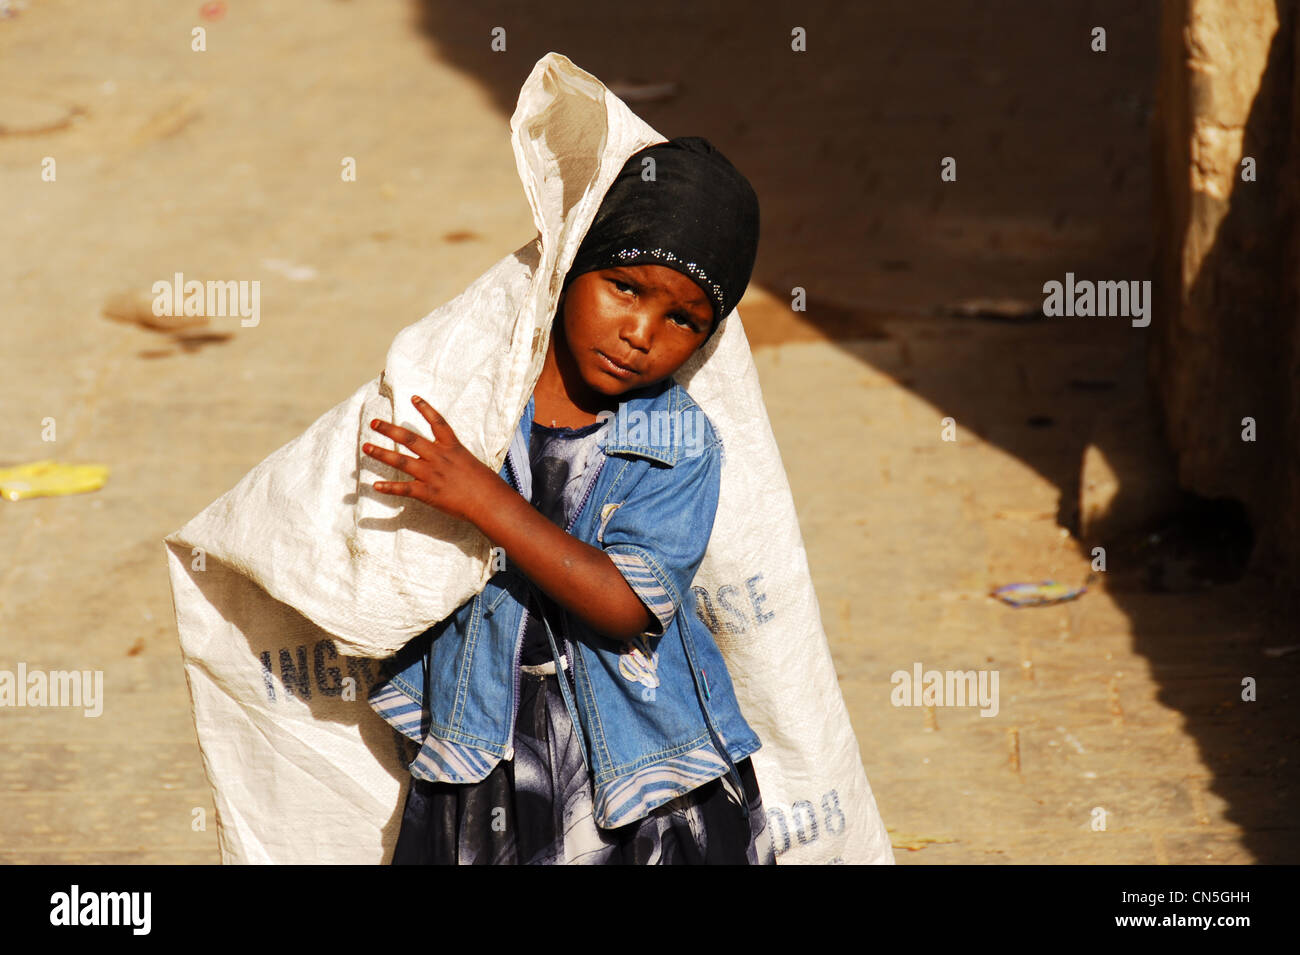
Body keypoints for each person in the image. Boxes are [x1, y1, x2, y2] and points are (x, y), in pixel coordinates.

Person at [362, 136, 773, 864]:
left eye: (684, 319)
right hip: (483, 746)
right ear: (571, 265)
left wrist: (485, 500)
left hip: (633, 776)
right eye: (624, 286)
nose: (642, 333)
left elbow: (623, 605)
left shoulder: (678, 441)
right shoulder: (478, 398)